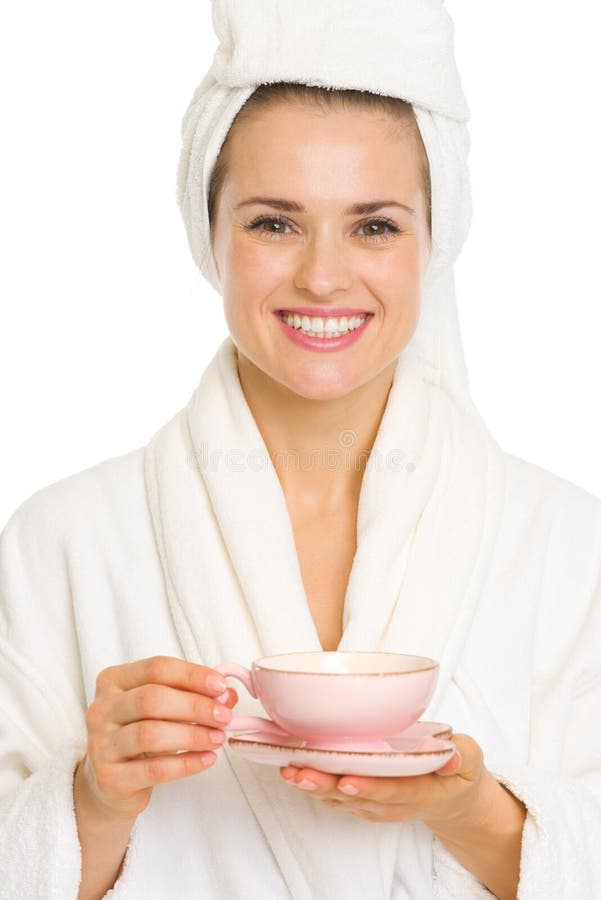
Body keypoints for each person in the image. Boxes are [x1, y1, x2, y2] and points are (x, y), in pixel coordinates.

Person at [1, 1, 600, 898]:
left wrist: (470, 808)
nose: (323, 275)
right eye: (274, 222)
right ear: (209, 235)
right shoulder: (66, 539)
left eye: (375, 225)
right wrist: (95, 794)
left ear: (435, 242)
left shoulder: (560, 540)